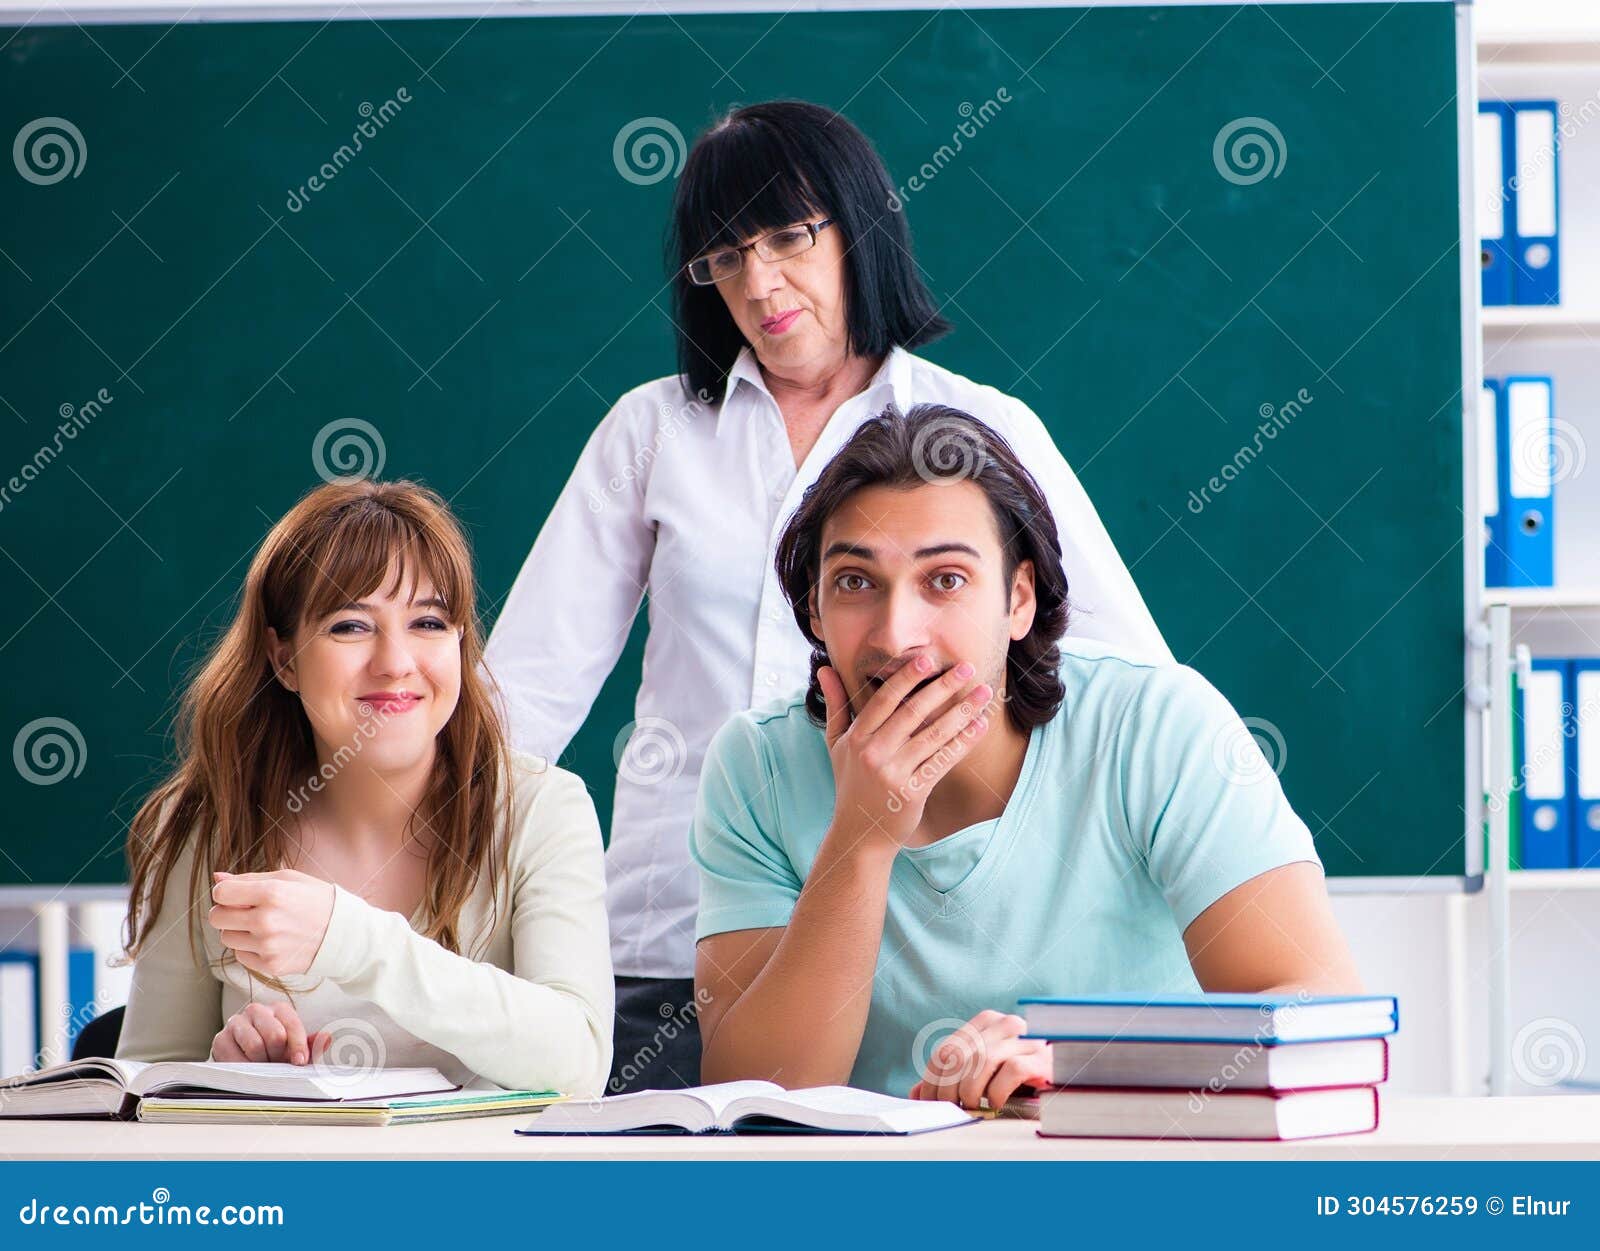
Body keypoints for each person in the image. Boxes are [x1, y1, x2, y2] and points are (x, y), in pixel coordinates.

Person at [485, 99, 1169, 1093]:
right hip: (677, 939)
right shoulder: (654, 432)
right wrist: (410, 919)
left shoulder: (978, 428)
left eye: (787, 238)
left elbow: (1128, 690)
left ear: (861, 227)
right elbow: (521, 701)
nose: (758, 284)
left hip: (926, 942)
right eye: (723, 257)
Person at [691, 404, 1363, 1105]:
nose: (896, 635)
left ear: (1018, 600)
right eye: (855, 582)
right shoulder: (755, 769)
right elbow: (752, 1096)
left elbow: (1325, 1018)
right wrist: (860, 840)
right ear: (815, 612)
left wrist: (1082, 1058)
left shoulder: (1156, 726)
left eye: (945, 579)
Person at [116, 480, 613, 1096]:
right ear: (284, 659)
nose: (396, 661)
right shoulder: (205, 823)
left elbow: (579, 1062)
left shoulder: (543, 810)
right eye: (351, 626)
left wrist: (351, 940)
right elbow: (143, 1087)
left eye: (428, 622)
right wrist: (227, 1079)